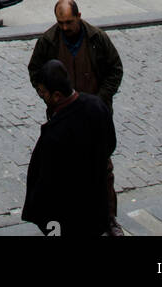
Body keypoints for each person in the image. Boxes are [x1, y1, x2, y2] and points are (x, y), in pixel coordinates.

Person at [28, 0, 123, 233]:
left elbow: (115, 69)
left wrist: (100, 100)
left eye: (69, 22)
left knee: (103, 170)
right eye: (60, 23)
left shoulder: (97, 39)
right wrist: (47, 96)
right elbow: (34, 70)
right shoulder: (49, 41)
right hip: (63, 116)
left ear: (79, 17)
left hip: (93, 116)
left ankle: (109, 217)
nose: (65, 28)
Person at [22, 59, 117, 238]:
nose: (41, 96)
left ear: (57, 95)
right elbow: (110, 144)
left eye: (43, 93)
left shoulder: (56, 134)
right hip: (96, 208)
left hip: (69, 218)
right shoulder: (96, 105)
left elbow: (46, 184)